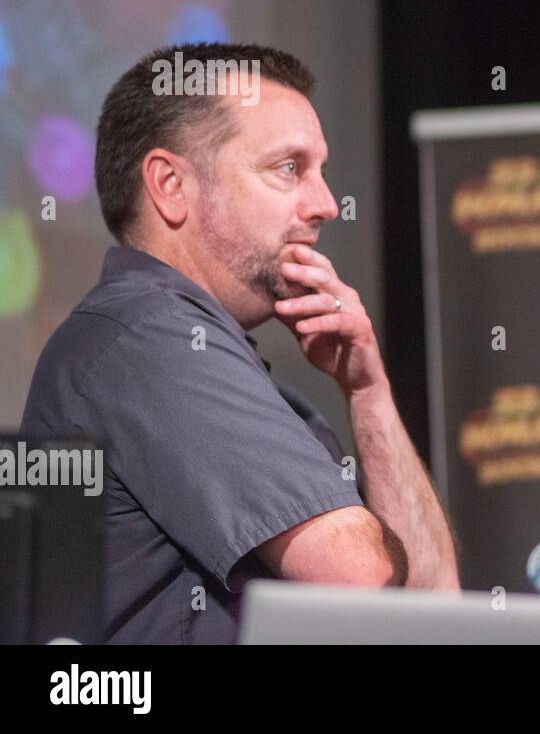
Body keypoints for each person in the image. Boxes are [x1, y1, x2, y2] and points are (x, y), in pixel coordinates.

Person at [22, 43, 459, 643]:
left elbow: (434, 605)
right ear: (170, 185)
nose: (326, 204)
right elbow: (363, 578)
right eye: (288, 168)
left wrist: (369, 391)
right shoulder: (149, 337)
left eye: (321, 171)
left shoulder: (194, 345)